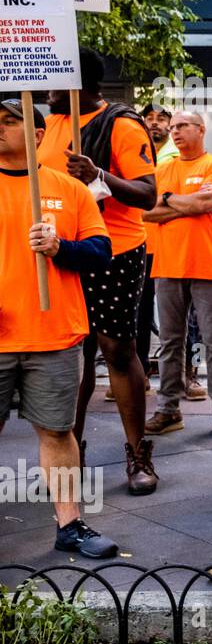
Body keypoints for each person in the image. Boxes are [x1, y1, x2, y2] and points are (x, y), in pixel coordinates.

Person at [37, 49, 158, 495]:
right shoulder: (47, 124)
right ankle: (71, 451)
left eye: (53, 78)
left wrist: (99, 173)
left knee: (116, 349)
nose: (46, 87)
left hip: (115, 250)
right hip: (62, 252)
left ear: (78, 81)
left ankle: (138, 453)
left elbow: (148, 194)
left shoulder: (121, 124)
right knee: (72, 351)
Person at [0, 100, 116, 557]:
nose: (2, 128)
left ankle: (69, 524)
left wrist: (59, 247)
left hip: (54, 334)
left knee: (56, 431)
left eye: (12, 121)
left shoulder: (69, 189)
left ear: (38, 133)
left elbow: (100, 250)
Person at [141, 113, 212, 438]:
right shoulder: (162, 169)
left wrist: (167, 200)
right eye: (172, 129)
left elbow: (208, 202)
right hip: (167, 266)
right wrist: (184, 205)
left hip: (209, 266)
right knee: (170, 342)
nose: (175, 132)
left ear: (200, 129)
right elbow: (145, 210)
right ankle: (168, 410)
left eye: (181, 126)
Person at [136, 105, 175, 379]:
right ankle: (138, 373)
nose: (154, 123)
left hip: (170, 248)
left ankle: (186, 373)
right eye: (149, 118)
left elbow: (188, 205)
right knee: (138, 315)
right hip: (138, 247)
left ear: (170, 125)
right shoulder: (135, 155)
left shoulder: (178, 157)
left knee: (176, 317)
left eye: (161, 118)